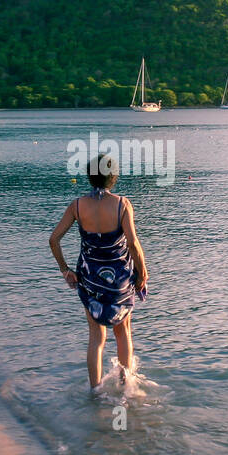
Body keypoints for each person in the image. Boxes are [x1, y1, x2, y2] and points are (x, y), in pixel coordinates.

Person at [49, 154, 148, 391]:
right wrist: (142, 272)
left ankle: (95, 391)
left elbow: (54, 240)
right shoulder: (122, 204)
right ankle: (127, 387)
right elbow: (133, 244)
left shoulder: (77, 206)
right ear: (113, 177)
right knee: (123, 332)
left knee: (96, 336)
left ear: (90, 176)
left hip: (90, 279)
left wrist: (65, 270)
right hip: (120, 281)